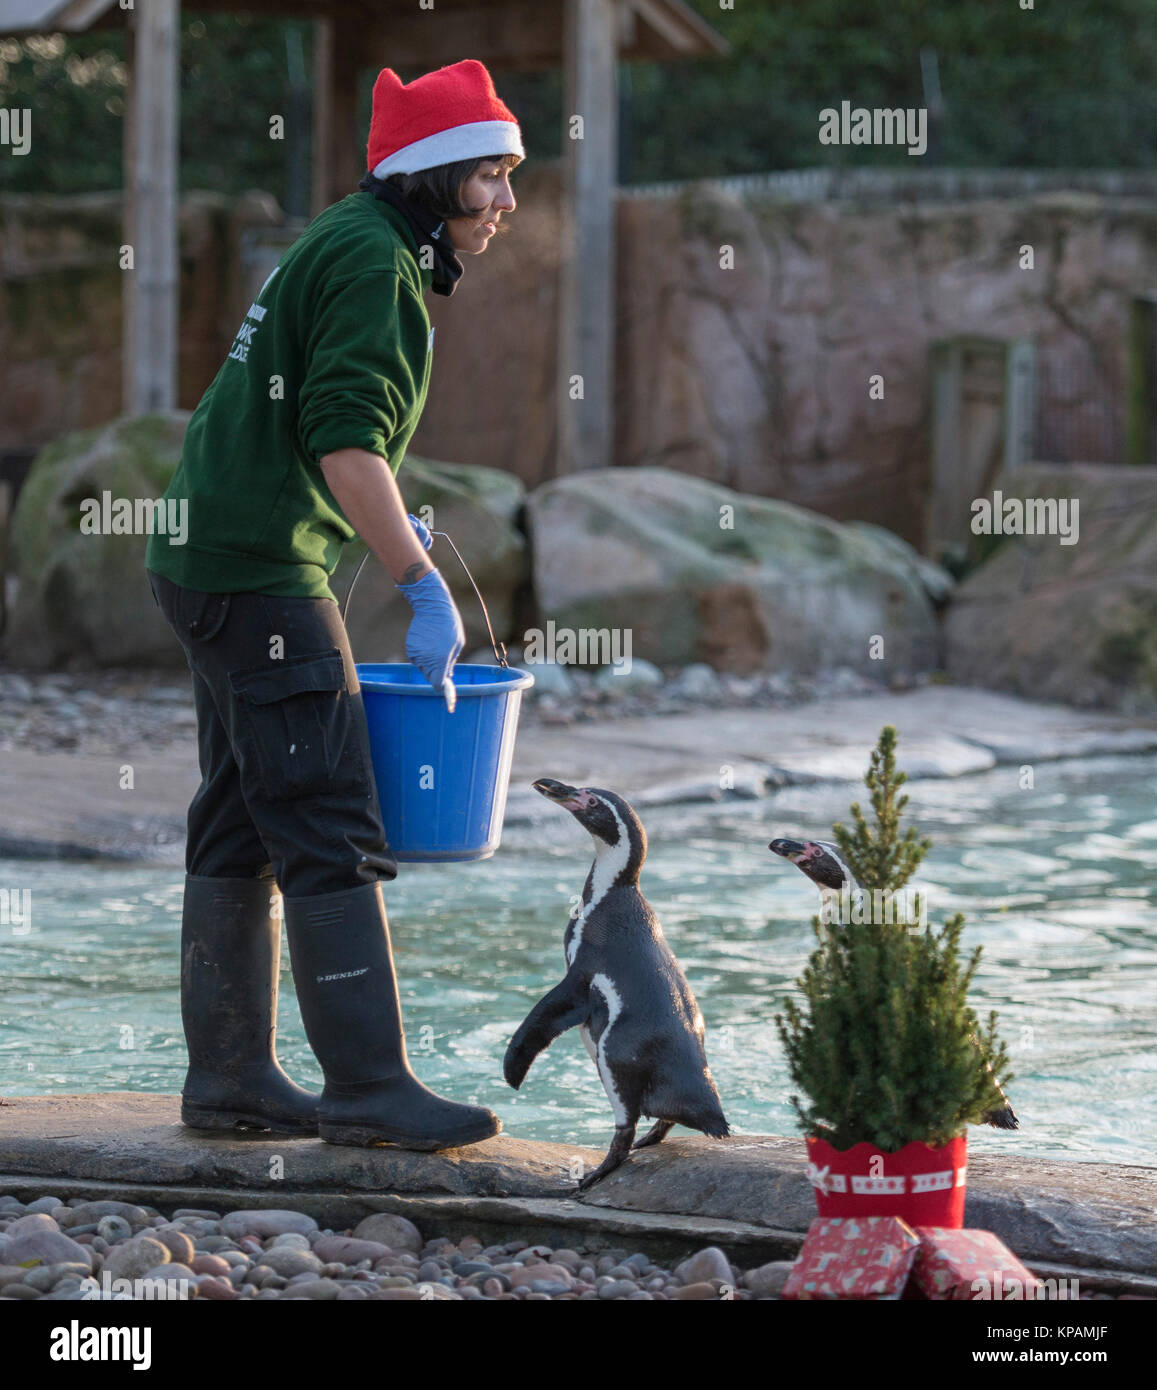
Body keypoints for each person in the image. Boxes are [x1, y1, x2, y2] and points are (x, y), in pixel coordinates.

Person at [144, 60, 522, 1150]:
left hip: (207, 553)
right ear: (433, 174)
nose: (504, 201)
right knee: (324, 811)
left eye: (509, 175)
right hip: (258, 570)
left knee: (240, 805)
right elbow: (344, 441)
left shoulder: (352, 236)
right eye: (489, 175)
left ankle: (229, 1079)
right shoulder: (374, 265)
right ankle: (366, 1087)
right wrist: (421, 583)